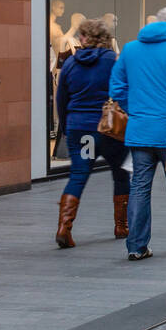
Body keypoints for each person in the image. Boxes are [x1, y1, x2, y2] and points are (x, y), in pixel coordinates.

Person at [109, 6, 166, 262]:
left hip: (140, 129)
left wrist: (135, 110)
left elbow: (117, 88)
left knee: (139, 187)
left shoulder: (131, 48)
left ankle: (137, 245)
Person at [53, 18, 130, 248]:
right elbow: (122, 91)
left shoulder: (70, 63)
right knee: (120, 173)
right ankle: (121, 225)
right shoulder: (112, 61)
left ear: (84, 38)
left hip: (79, 127)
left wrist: (66, 126)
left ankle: (64, 228)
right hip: (107, 128)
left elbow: (61, 98)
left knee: (78, 174)